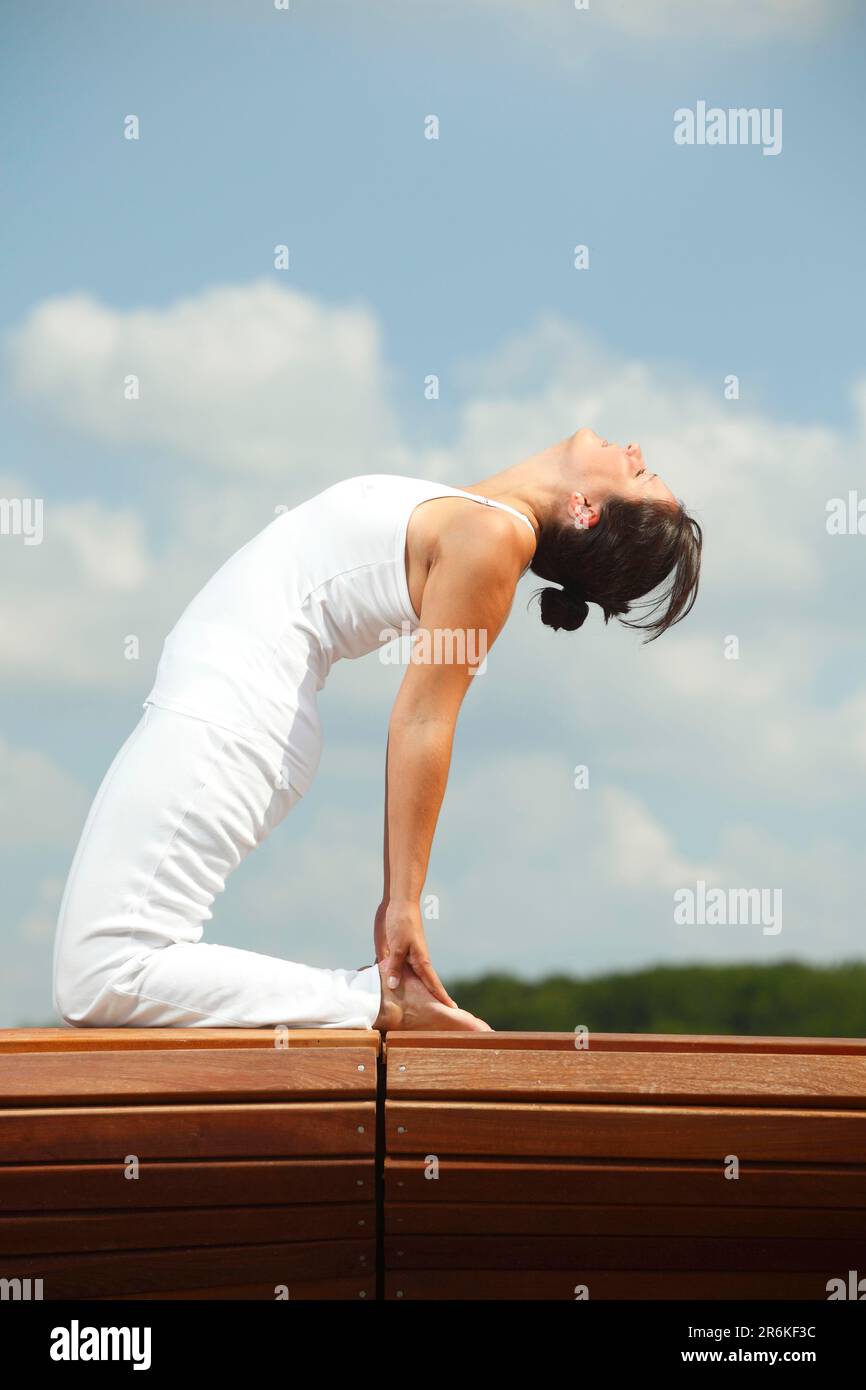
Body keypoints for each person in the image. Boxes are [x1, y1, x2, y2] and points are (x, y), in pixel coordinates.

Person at [52, 426, 702, 1032]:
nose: (637, 451)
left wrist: (403, 906)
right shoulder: (471, 510)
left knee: (101, 971)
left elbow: (425, 717)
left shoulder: (496, 539)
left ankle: (376, 999)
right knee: (102, 963)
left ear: (586, 509)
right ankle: (373, 1000)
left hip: (235, 715)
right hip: (218, 704)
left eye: (643, 477)